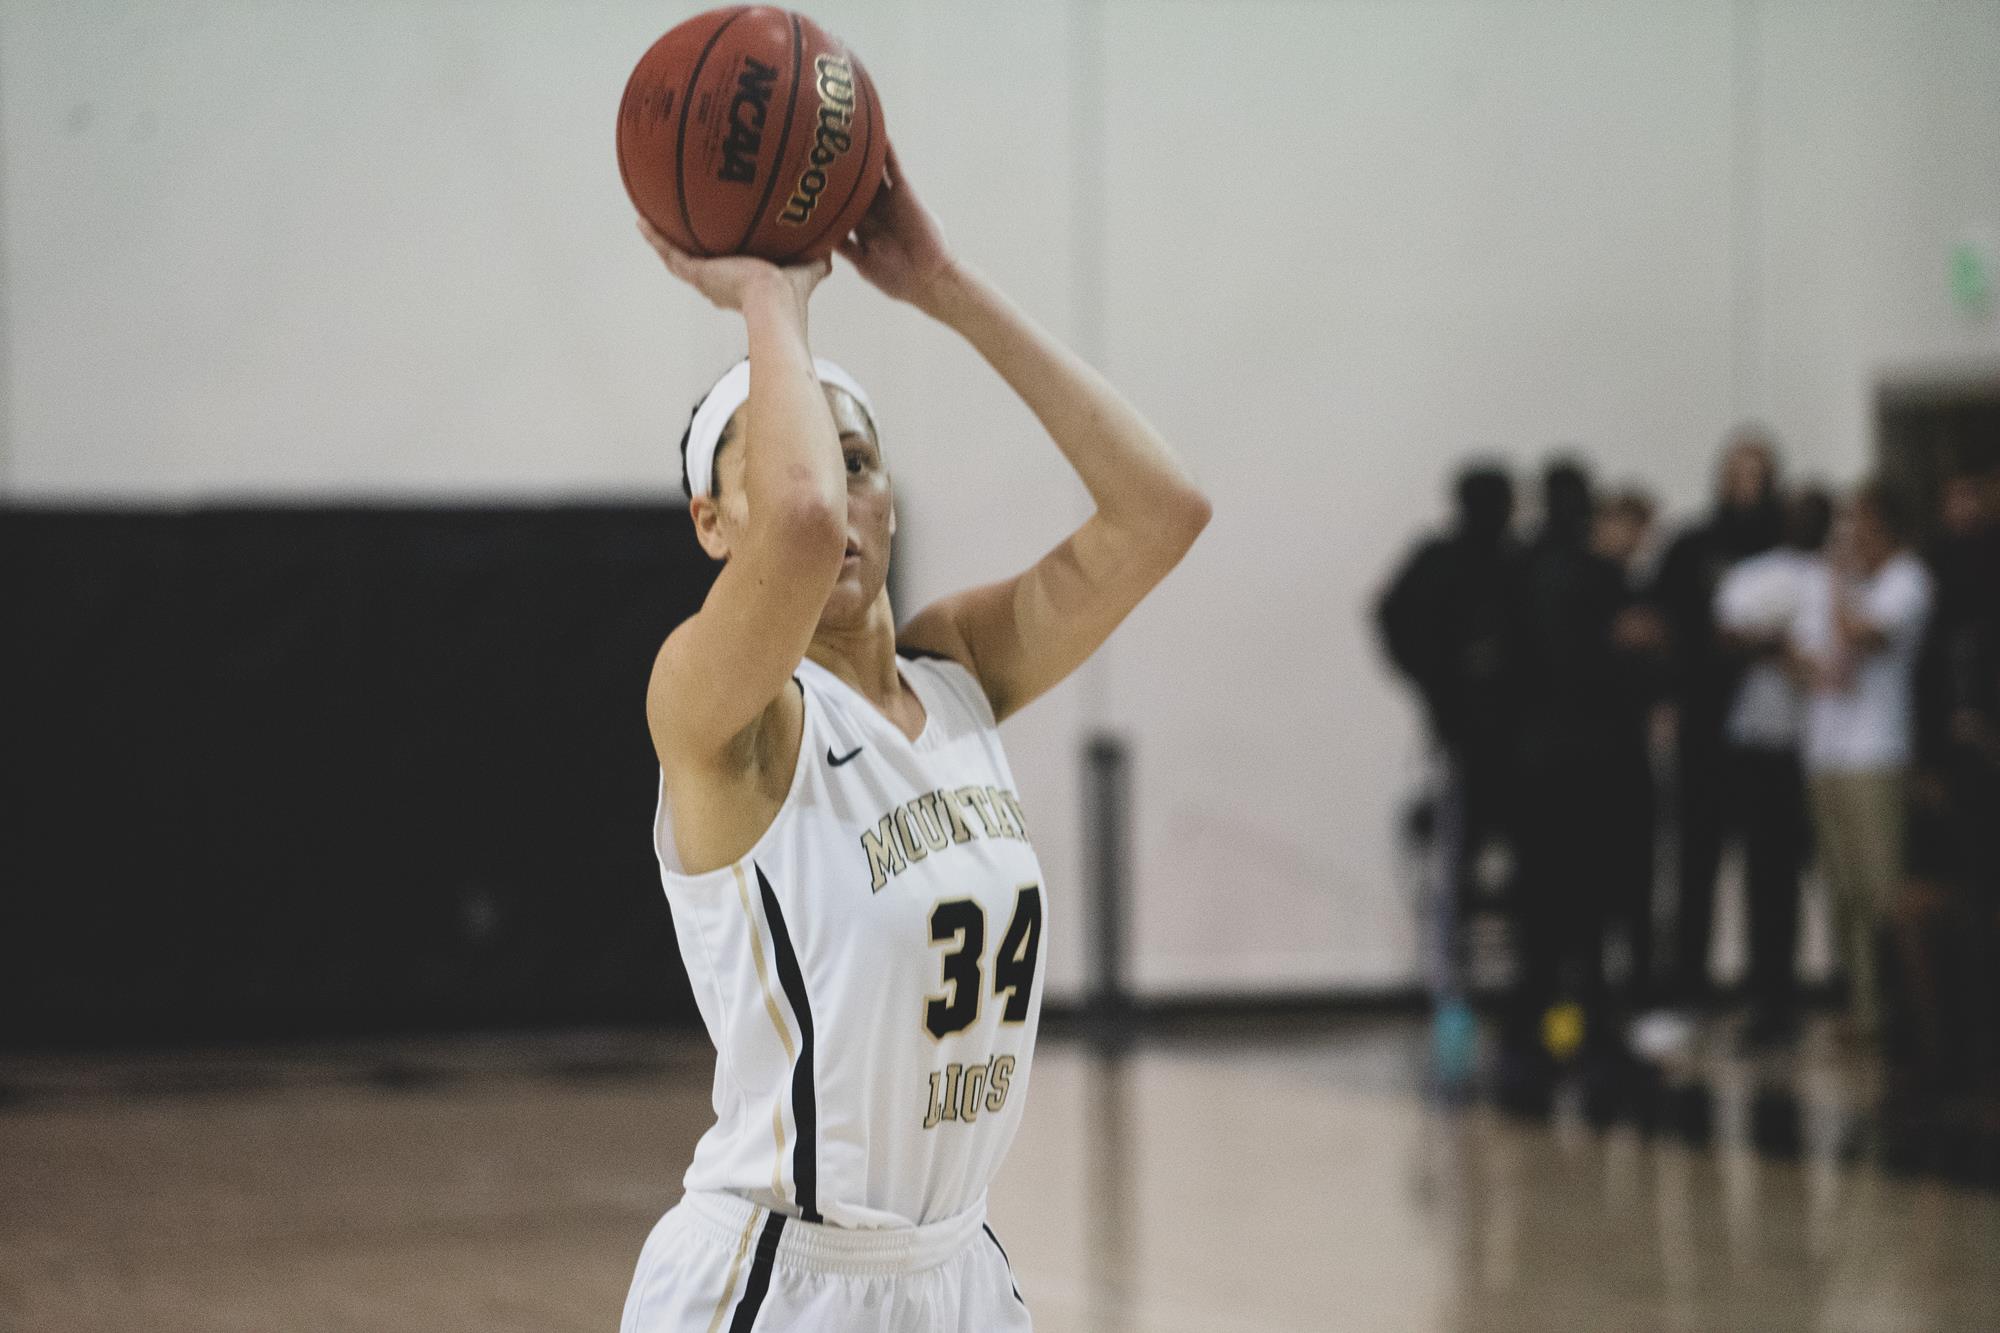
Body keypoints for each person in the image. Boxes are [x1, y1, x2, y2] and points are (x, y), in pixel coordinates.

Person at [621, 146, 1210, 1332]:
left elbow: (1161, 510)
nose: (834, 496)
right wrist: (767, 295)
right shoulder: (721, 712)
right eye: (805, 469)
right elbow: (795, 527)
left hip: (958, 1274)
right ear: (709, 519)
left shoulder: (958, 679)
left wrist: (939, 284)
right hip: (778, 1279)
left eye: (859, 464)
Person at [1504, 460, 1654, 1099]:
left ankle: (1530, 1038)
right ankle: (1593, 1037)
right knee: (1593, 910)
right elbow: (1625, 671)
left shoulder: (1518, 572)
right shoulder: (1601, 578)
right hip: (1597, 765)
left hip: (1535, 765)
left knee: (1538, 908)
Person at [1791, 481, 1931, 1041]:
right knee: (1842, 887)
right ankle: (1863, 1005)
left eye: (1861, 523)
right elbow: (1817, 659)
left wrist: (1834, 580)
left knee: (1880, 888)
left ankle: (1903, 1008)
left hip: (1877, 753)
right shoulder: (1855, 584)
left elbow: (1862, 636)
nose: (1850, 535)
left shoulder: (1906, 582)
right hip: (1828, 750)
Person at [1651, 431, 1786, 1011]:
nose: (1745, 484)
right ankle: (1690, 984)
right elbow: (1663, 622)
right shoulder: (1693, 543)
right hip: (1708, 718)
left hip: (1777, 728)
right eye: (1736, 471)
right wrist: (1669, 698)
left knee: (1772, 861)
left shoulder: (1787, 541)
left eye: (1756, 473)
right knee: (1698, 857)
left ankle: (1771, 984)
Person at [1711, 488, 1834, 1046]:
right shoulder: (1754, 575)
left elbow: (1819, 661)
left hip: (1823, 747)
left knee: (1827, 873)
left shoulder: (1834, 578)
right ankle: (1769, 996)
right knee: (1765, 876)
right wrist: (1772, 646)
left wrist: (1778, 648)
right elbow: (1726, 639)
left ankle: (1834, 984)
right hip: (1759, 743)